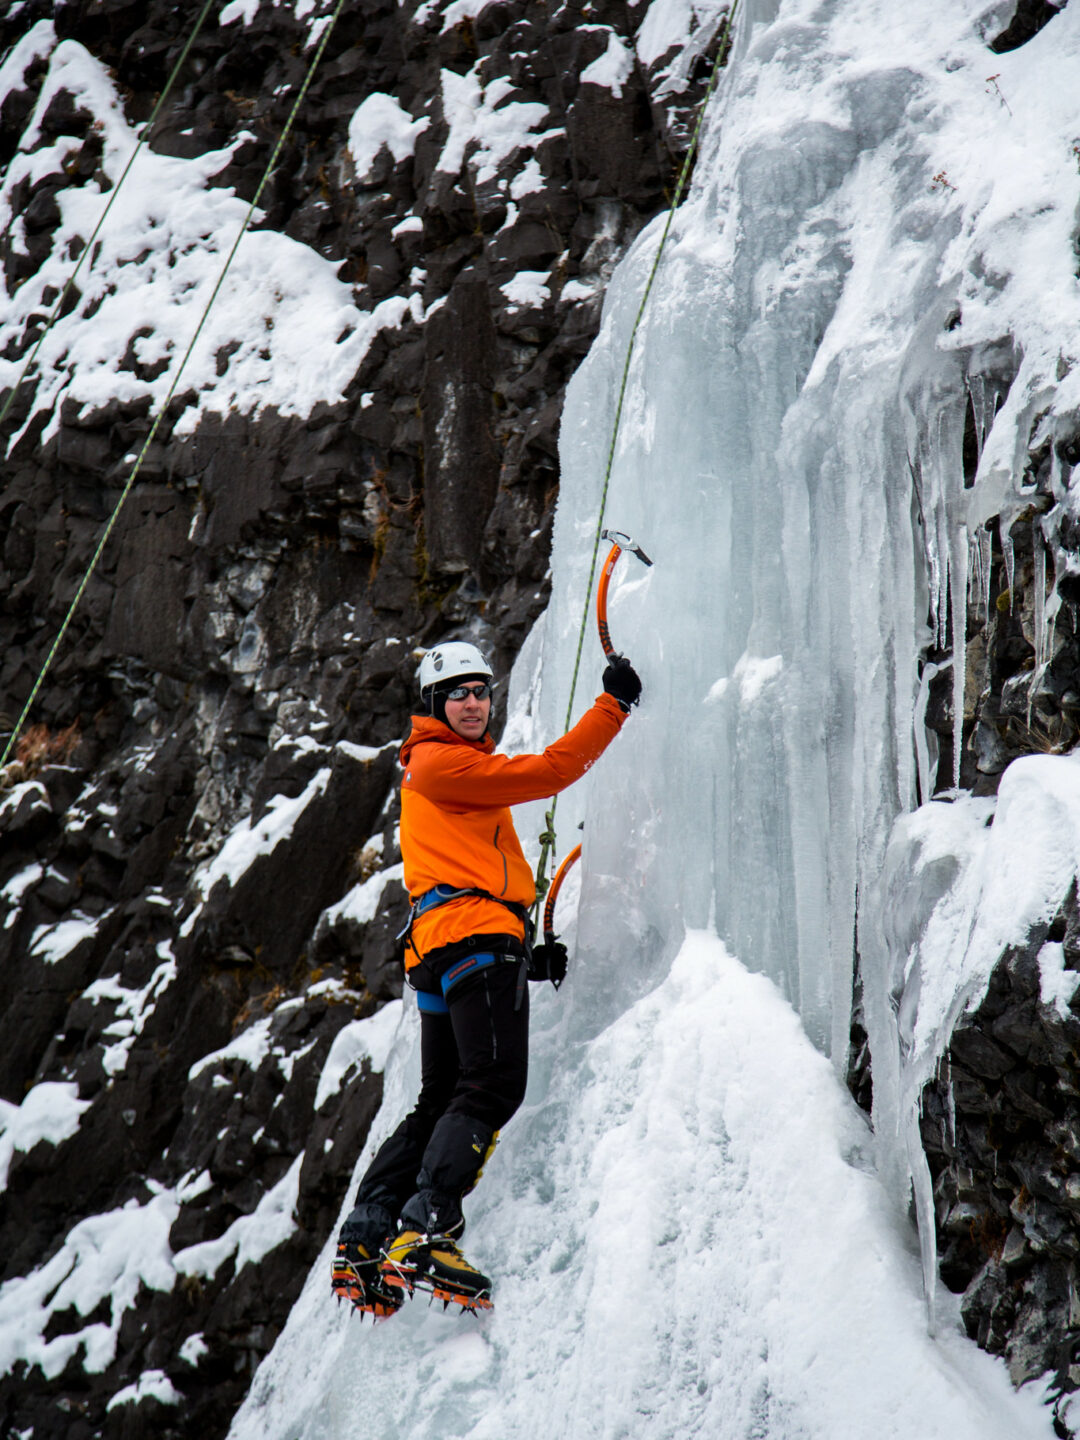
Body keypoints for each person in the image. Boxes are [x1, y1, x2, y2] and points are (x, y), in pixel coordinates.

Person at [331, 639, 641, 1316]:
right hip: (471, 935)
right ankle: (427, 1226)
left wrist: (521, 956)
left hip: (442, 945)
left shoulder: (431, 767)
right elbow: (551, 771)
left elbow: (463, 869)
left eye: (480, 692)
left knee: (439, 1097)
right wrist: (613, 706)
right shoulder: (442, 762)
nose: (473, 704)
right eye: (458, 695)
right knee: (492, 1083)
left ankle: (366, 1236)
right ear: (433, 704)